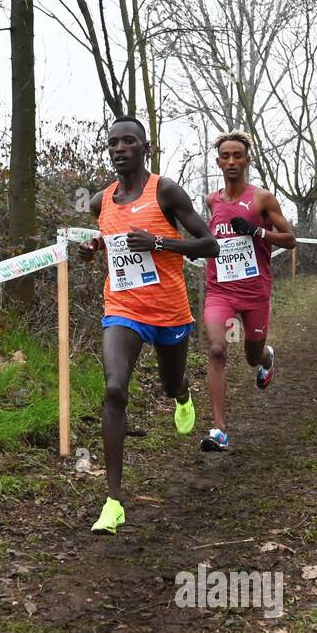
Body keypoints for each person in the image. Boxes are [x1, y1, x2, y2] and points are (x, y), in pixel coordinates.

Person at [78, 116, 219, 533]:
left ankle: (183, 395)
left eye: (129, 142)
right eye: (113, 143)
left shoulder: (166, 191)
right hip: (122, 307)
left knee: (170, 382)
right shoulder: (100, 201)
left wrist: (159, 242)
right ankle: (114, 500)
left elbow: (209, 244)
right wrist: (93, 247)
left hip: (170, 312)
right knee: (114, 387)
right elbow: (108, 237)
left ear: (145, 148)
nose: (120, 148)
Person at [200, 130, 297, 452]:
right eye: (225, 157)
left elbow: (290, 239)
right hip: (220, 291)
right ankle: (219, 429)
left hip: (255, 292)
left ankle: (266, 357)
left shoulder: (261, 199)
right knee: (216, 348)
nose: (231, 161)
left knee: (251, 355)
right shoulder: (211, 200)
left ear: (247, 160)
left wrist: (256, 230)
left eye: (237, 156)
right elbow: (211, 239)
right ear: (218, 162)